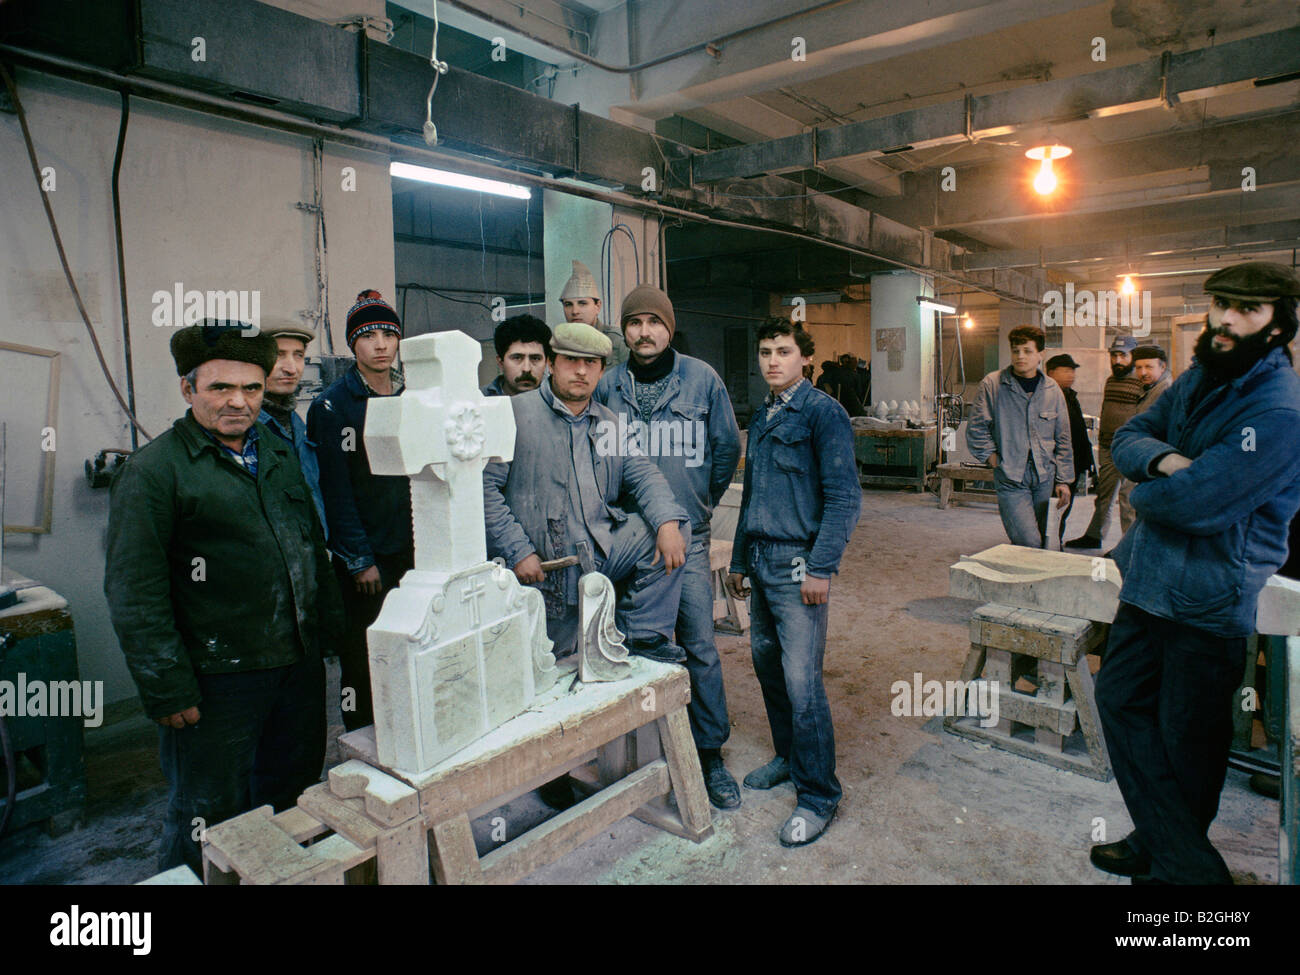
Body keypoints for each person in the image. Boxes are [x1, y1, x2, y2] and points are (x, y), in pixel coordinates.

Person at [1091, 261, 1300, 885]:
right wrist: (1171, 462)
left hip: (1210, 593)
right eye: (1222, 305)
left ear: (1280, 323)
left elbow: (1197, 505)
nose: (1228, 319)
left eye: (1248, 309)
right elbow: (1129, 435)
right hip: (1151, 578)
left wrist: (1149, 488)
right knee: (1120, 700)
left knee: (1188, 739)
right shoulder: (1202, 374)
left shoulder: (1279, 411)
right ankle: (1177, 854)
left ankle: (1178, 873)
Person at [104, 321, 340, 874]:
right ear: (188, 390)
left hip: (294, 668)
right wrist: (166, 688)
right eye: (219, 389)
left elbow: (311, 547)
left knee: (291, 794)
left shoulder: (278, 455)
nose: (239, 402)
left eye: (252, 389)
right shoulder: (154, 473)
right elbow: (134, 592)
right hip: (215, 682)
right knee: (206, 811)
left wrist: (324, 636)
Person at [595, 285, 742, 809]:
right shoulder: (608, 385)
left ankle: (708, 754)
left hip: (690, 540)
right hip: (627, 540)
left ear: (669, 327)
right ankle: (634, 750)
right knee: (623, 643)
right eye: (633, 322)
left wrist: (696, 503)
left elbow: (726, 449)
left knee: (698, 644)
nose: (644, 332)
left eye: (654, 322)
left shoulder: (702, 380)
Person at [725, 318, 861, 847]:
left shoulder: (824, 415)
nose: (773, 361)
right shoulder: (762, 415)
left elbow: (845, 498)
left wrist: (822, 566)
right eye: (765, 352)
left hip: (797, 563)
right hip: (759, 560)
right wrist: (737, 560)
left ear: (806, 357)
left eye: (784, 351)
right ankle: (787, 754)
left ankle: (819, 794)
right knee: (769, 667)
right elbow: (751, 493)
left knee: (803, 682)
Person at [484, 319, 689, 665]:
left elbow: (644, 476)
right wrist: (518, 551)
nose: (580, 371)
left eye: (590, 363)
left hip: (598, 555)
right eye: (570, 361)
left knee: (675, 524)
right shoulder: (513, 415)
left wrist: (667, 524)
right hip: (543, 567)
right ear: (551, 363)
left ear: (601, 370)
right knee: (550, 669)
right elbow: (484, 490)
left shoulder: (609, 423)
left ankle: (641, 635)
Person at [307, 290, 413, 732]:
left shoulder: (412, 396)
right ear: (353, 344)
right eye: (368, 335)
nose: (381, 344)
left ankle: (408, 732)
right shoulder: (333, 406)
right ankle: (363, 741)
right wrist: (359, 559)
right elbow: (336, 491)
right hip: (368, 560)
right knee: (363, 654)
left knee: (410, 646)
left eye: (388, 333)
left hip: (410, 550)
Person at [966, 326, 1073, 548]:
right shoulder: (993, 385)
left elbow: (1063, 438)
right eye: (1016, 351)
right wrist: (992, 458)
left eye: (1027, 351)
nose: (1020, 356)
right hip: (1011, 477)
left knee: (1049, 541)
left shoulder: (1052, 390)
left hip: (1045, 477)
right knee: (1028, 542)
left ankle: (1038, 583)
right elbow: (976, 428)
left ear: (1040, 355)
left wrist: (1063, 480)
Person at [1064, 335, 1143, 549]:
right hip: (1108, 448)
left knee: (1128, 500)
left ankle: (1128, 547)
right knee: (1104, 496)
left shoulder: (1142, 382)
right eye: (1114, 355)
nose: (1117, 360)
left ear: (1133, 356)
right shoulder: (1111, 381)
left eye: (1123, 355)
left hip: (1130, 449)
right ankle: (1094, 536)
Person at [258, 318, 326, 531]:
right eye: (278, 354)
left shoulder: (296, 422)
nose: (291, 368)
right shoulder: (244, 428)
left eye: (298, 355)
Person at [1115, 344, 1173, 535]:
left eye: (1149, 367)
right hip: (1149, 456)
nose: (1143, 372)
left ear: (1162, 367)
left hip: (1153, 458)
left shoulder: (1164, 391)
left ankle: (1132, 549)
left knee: (1130, 498)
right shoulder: (1151, 388)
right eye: (1139, 367)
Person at [1045, 353, 1096, 547]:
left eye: (1073, 370)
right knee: (1053, 507)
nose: (1071, 374)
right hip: (1056, 466)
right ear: (1051, 372)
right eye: (1066, 370)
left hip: (1074, 463)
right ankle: (1049, 545)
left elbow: (1078, 432)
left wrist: (1087, 461)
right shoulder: (1047, 397)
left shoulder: (1070, 396)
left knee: (1064, 508)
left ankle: (1054, 542)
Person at [559, 259, 627, 368]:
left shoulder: (619, 342)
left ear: (597, 306)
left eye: (582, 303)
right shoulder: (560, 345)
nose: (575, 311)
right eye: (568, 304)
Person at [483, 315, 550, 397]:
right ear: (501, 363)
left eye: (535, 358)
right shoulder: (477, 401)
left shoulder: (560, 402)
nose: (526, 369)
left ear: (547, 363)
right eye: (517, 358)